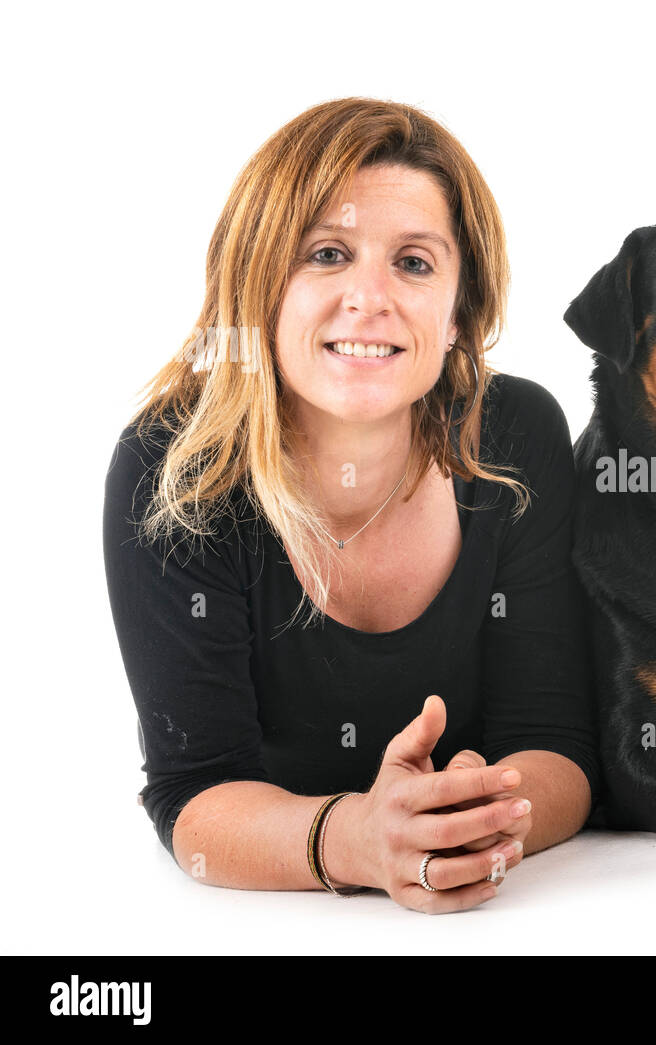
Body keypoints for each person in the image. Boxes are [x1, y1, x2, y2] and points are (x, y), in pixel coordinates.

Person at [102, 97, 599, 914]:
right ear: (258, 287)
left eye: (413, 263)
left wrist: (473, 820)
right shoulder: (172, 469)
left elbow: (560, 746)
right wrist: (362, 839)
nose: (370, 298)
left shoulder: (518, 432)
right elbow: (195, 795)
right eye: (328, 254)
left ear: (457, 315)